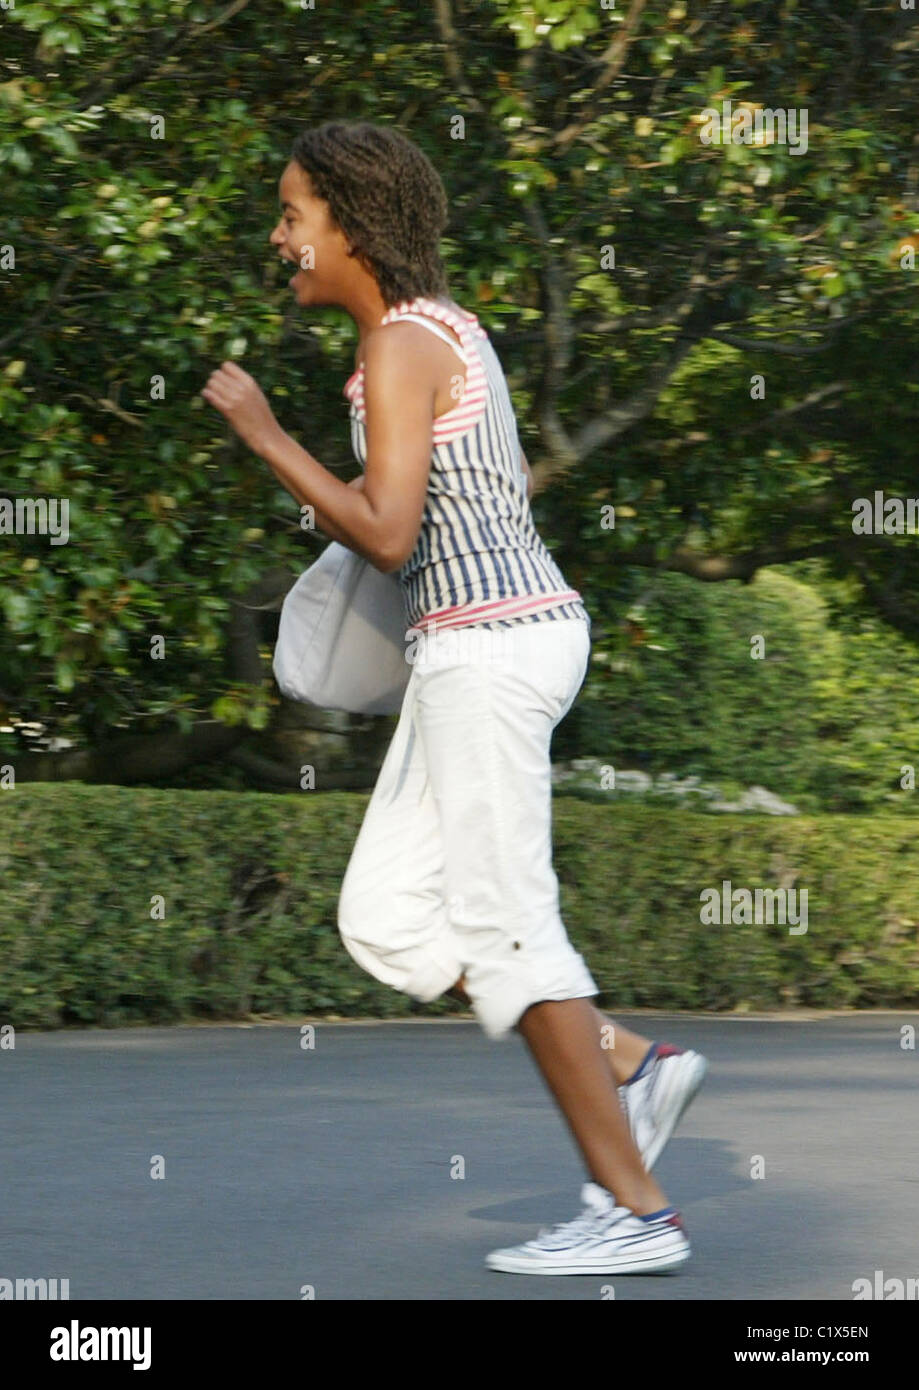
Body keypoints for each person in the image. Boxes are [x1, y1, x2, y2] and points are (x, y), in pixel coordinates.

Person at [202, 120, 706, 1277]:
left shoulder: (402, 347)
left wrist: (266, 435)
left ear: (351, 222)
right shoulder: (432, 334)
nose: (279, 237)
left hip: (491, 648)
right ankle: (628, 1061)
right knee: (384, 914)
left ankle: (635, 1210)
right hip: (479, 646)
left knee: (508, 925)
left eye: (293, 214)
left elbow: (385, 532)